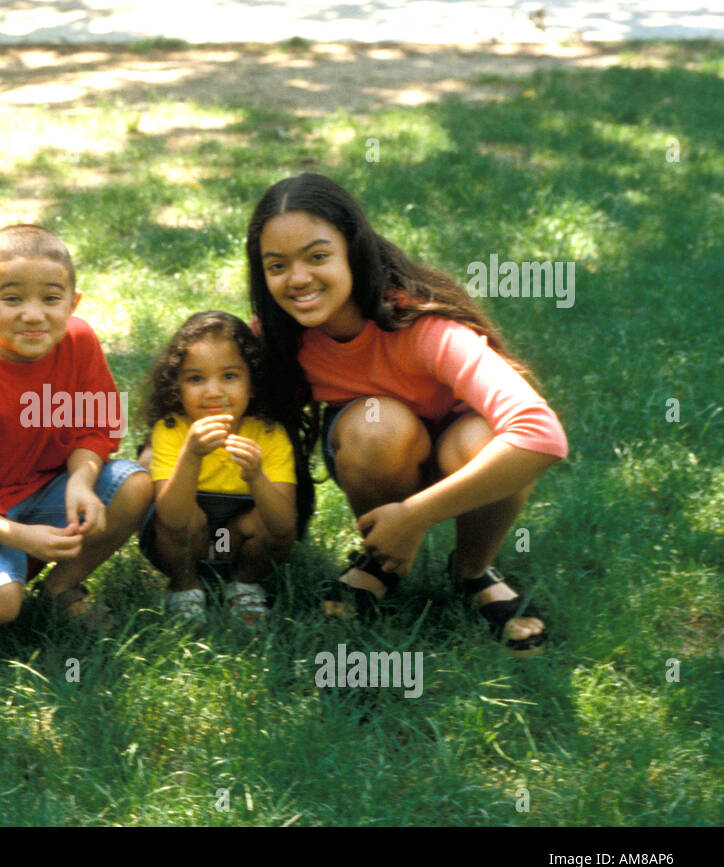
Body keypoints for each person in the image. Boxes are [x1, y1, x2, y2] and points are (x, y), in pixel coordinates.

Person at [246, 173, 567, 655]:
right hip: (380, 453)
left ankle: (473, 570)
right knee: (379, 423)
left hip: (463, 463)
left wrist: (415, 517)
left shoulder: (421, 325)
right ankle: (382, 563)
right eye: (277, 265)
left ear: (353, 251)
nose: (298, 279)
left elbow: (541, 434)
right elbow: (222, 412)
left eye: (317, 256)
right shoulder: (278, 337)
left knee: (486, 438)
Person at [0, 224, 153, 636]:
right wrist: (21, 538)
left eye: (51, 299)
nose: (33, 314)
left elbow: (96, 424)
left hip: (40, 489)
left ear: (74, 302)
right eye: (13, 298)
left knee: (135, 485)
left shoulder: (80, 340)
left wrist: (82, 482)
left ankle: (60, 588)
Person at [138, 311, 298, 625]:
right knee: (184, 520)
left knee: (268, 523)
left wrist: (256, 476)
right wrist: (192, 455)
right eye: (196, 378)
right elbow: (172, 519)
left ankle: (244, 586)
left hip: (232, 543)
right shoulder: (171, 430)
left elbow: (282, 528)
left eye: (229, 376)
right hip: (185, 548)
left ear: (252, 383)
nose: (213, 392)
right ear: (176, 388)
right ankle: (186, 589)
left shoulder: (269, 435)